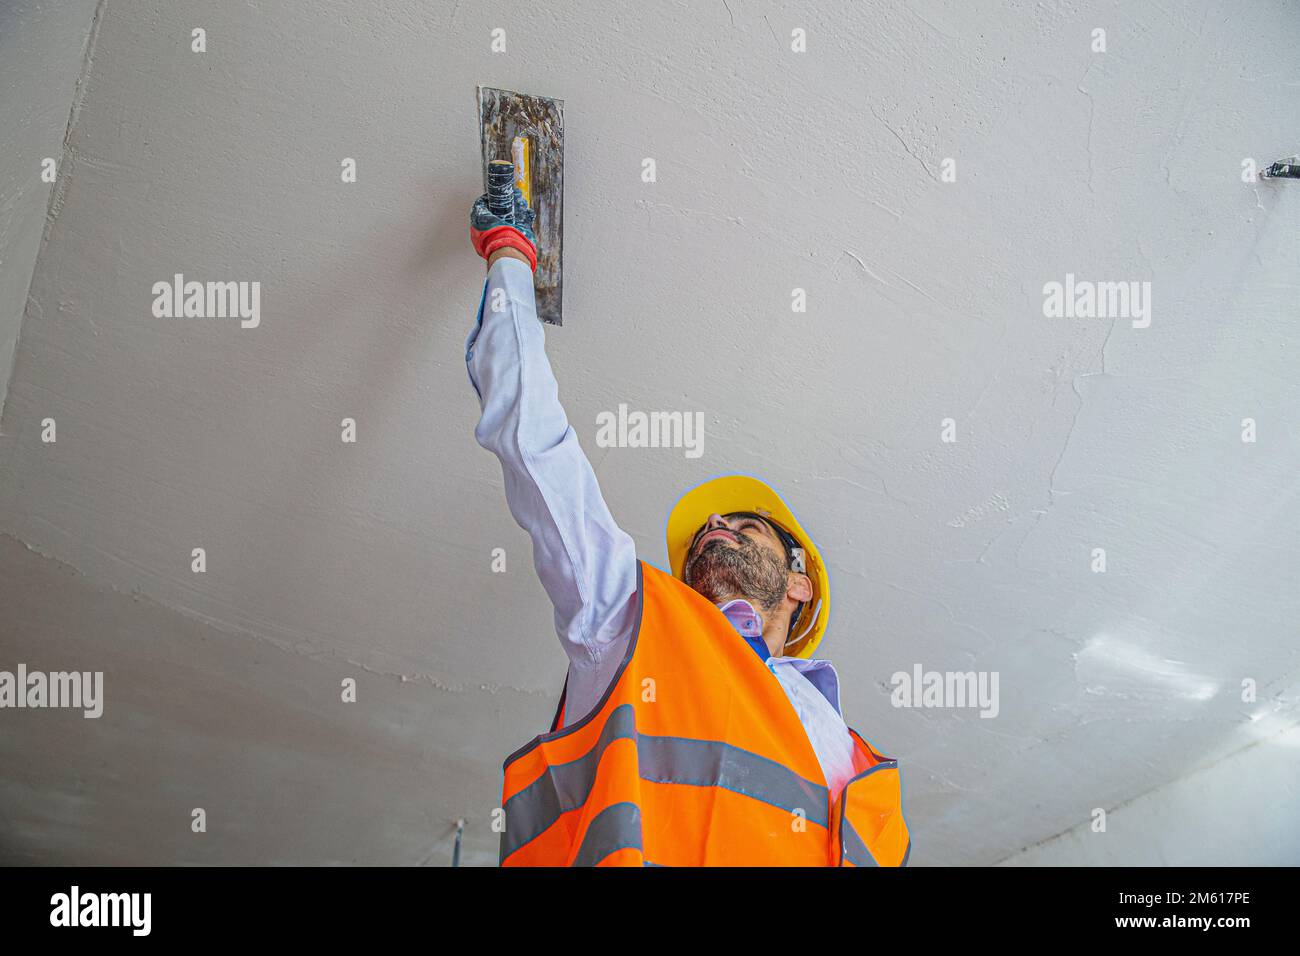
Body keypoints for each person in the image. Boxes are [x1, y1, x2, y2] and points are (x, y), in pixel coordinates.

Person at [466, 187, 909, 866]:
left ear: (800, 584)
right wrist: (508, 259)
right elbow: (533, 442)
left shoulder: (858, 759)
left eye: (747, 525)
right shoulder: (632, 620)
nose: (715, 523)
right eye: (706, 529)